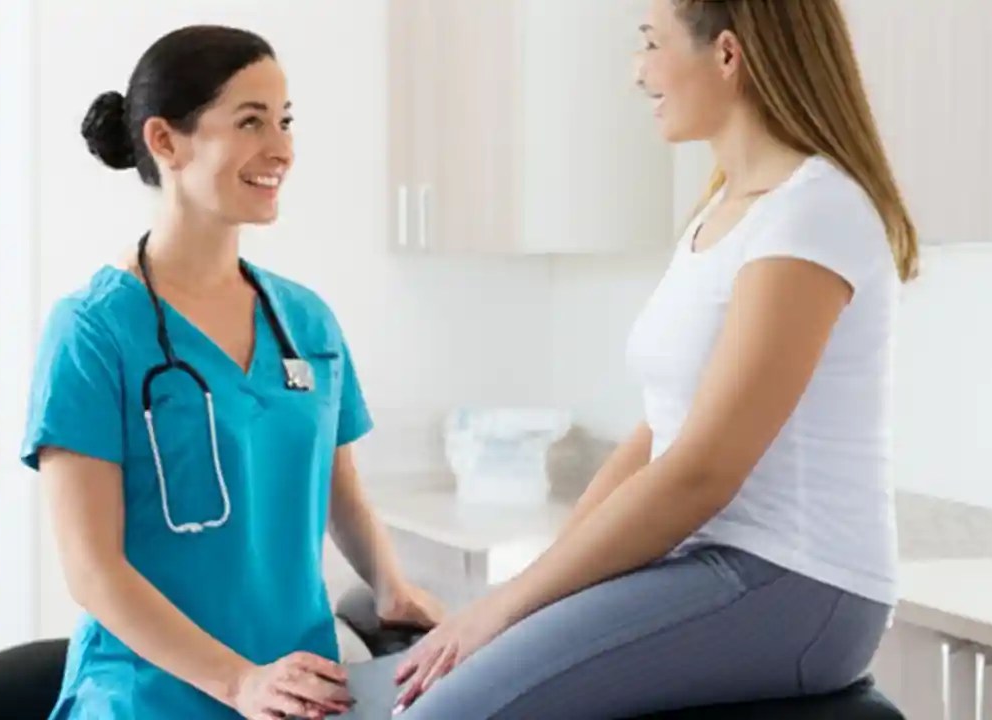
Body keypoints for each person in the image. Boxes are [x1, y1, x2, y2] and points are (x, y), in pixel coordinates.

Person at [383, 0, 918, 717]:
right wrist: (528, 590)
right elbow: (659, 434)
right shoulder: (725, 209)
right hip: (714, 563)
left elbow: (702, 471)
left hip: (797, 580)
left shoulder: (814, 213)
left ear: (727, 56)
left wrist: (508, 607)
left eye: (650, 44)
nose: (638, 73)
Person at [20, 25, 442, 720]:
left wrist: (390, 586)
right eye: (250, 122)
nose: (280, 149)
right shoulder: (93, 331)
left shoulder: (305, 320)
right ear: (165, 141)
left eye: (284, 121)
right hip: (145, 697)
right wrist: (237, 682)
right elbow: (93, 572)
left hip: (296, 694)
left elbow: (340, 491)